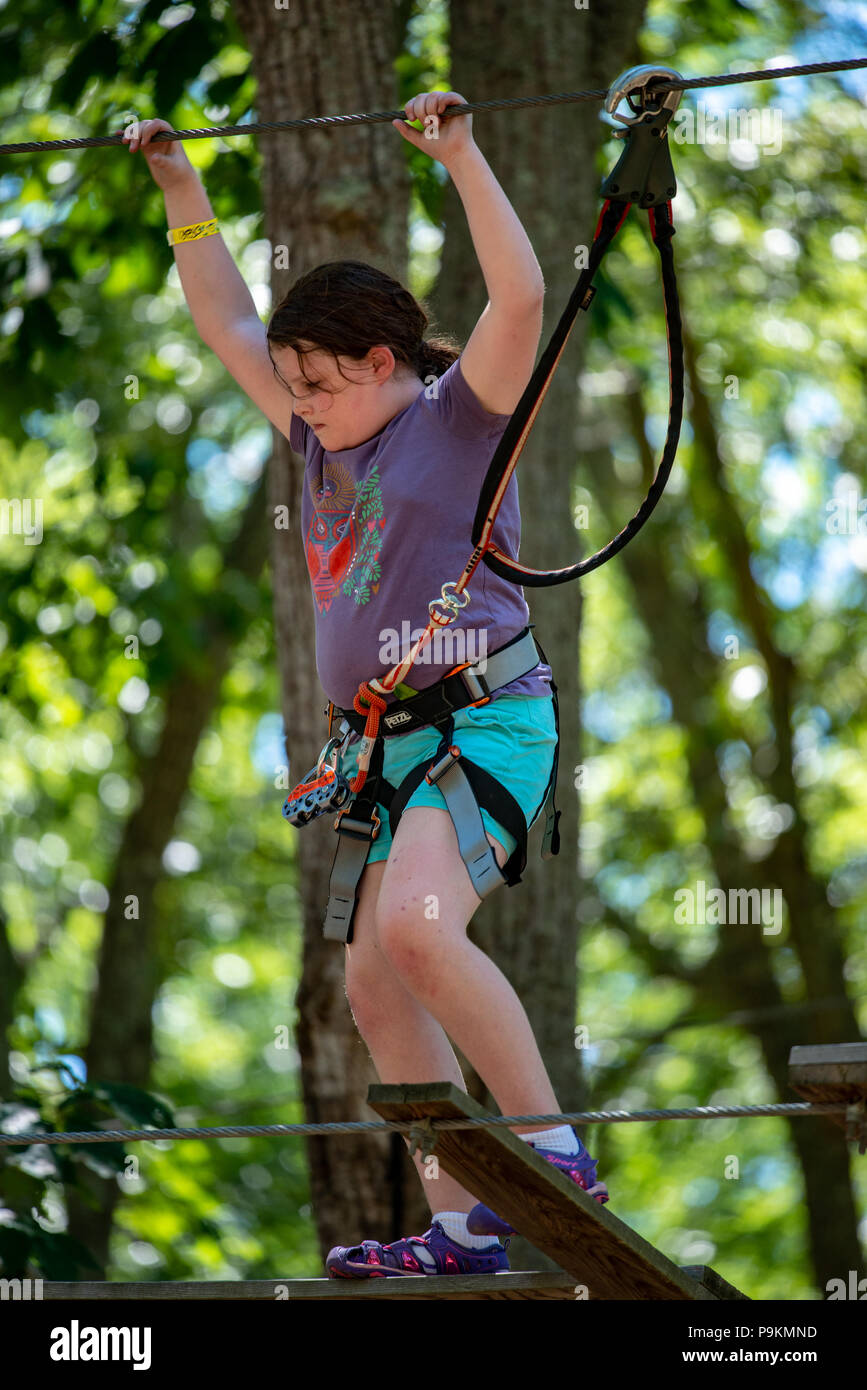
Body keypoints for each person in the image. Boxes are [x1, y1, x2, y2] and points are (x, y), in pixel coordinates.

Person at [125, 88, 607, 1280]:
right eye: (292, 388)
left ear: (383, 361)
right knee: (373, 982)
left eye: (322, 385)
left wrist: (461, 153)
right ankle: (459, 1226)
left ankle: (555, 1153)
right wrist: (183, 189)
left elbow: (524, 298)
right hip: (382, 751)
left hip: (485, 722)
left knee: (419, 927)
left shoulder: (454, 418)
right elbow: (228, 320)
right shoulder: (311, 435)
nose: (301, 405)